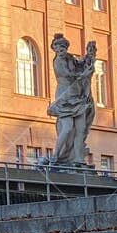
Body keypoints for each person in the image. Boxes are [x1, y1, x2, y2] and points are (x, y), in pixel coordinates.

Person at [47, 33, 97, 165]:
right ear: (54, 50)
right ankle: (56, 156)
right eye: (57, 50)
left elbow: (80, 64)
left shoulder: (70, 58)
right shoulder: (57, 61)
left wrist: (89, 56)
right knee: (68, 127)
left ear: (66, 48)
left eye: (62, 49)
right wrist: (83, 74)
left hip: (77, 96)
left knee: (80, 128)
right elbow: (69, 75)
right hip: (65, 96)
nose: (60, 52)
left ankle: (77, 158)